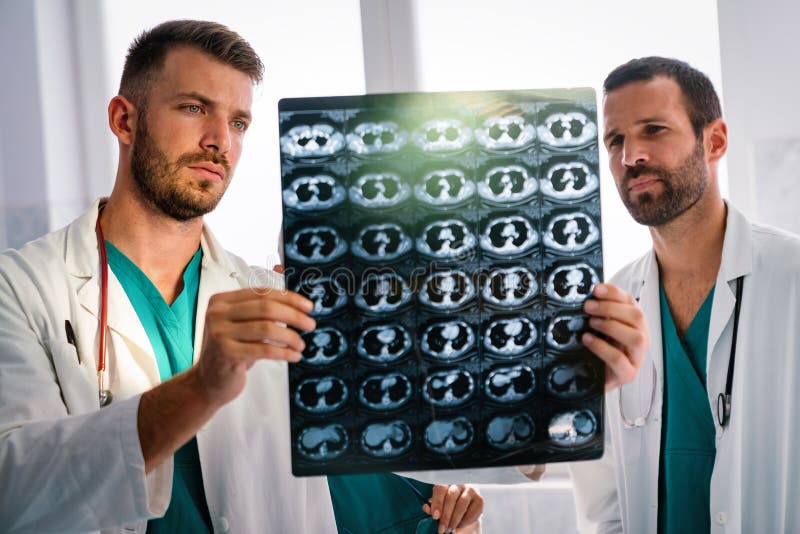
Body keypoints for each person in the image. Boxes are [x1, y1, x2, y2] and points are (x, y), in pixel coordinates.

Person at [0, 20, 482, 533]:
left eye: (238, 123)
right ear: (124, 120)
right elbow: (15, 493)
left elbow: (371, 485)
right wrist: (202, 387)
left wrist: (449, 510)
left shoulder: (277, 302)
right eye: (193, 108)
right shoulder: (23, 289)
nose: (219, 142)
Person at [568, 57, 800, 533]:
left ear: (714, 141)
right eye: (615, 141)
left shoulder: (792, 278)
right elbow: (603, 500)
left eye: (653, 129)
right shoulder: (608, 307)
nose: (631, 155)